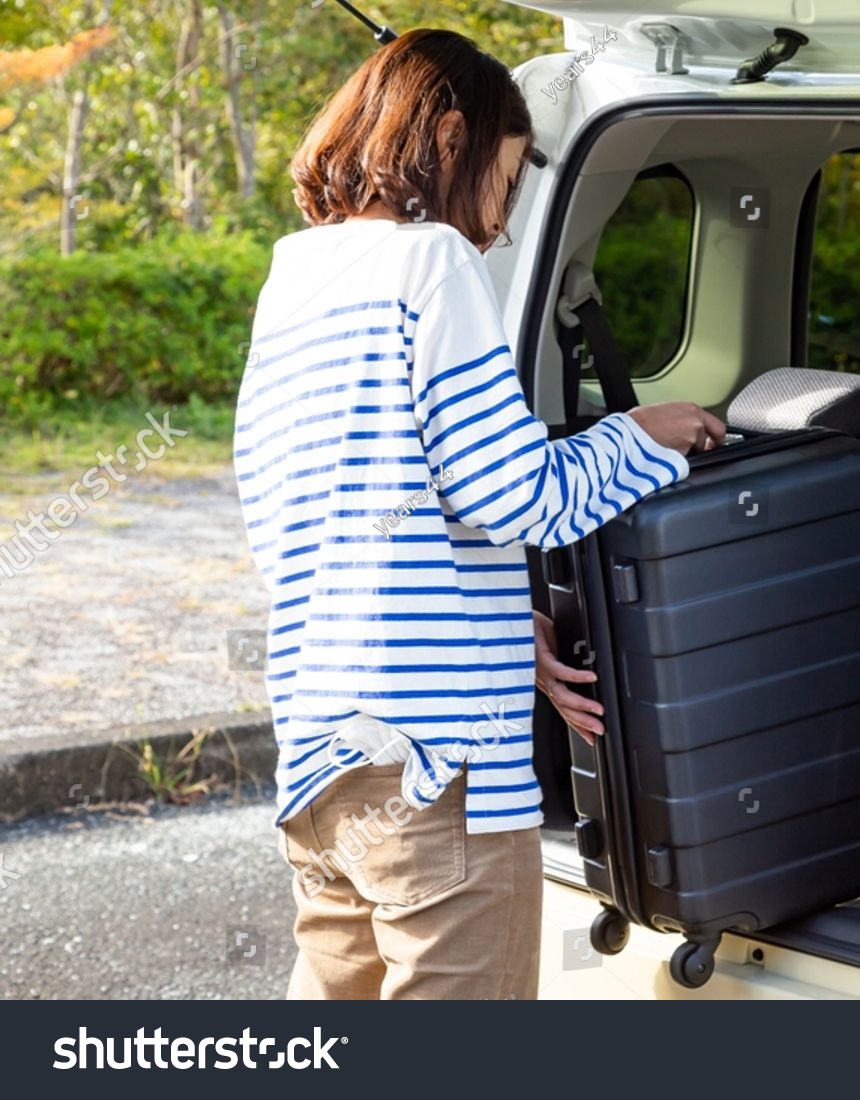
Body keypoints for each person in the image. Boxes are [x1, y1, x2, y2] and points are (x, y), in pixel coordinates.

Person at [233, 28, 724, 1000]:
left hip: (324, 753)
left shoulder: (293, 280)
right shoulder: (433, 263)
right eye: (502, 188)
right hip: (438, 768)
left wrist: (504, 633)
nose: (498, 229)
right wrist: (645, 436)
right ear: (449, 139)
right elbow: (513, 494)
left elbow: (320, 522)